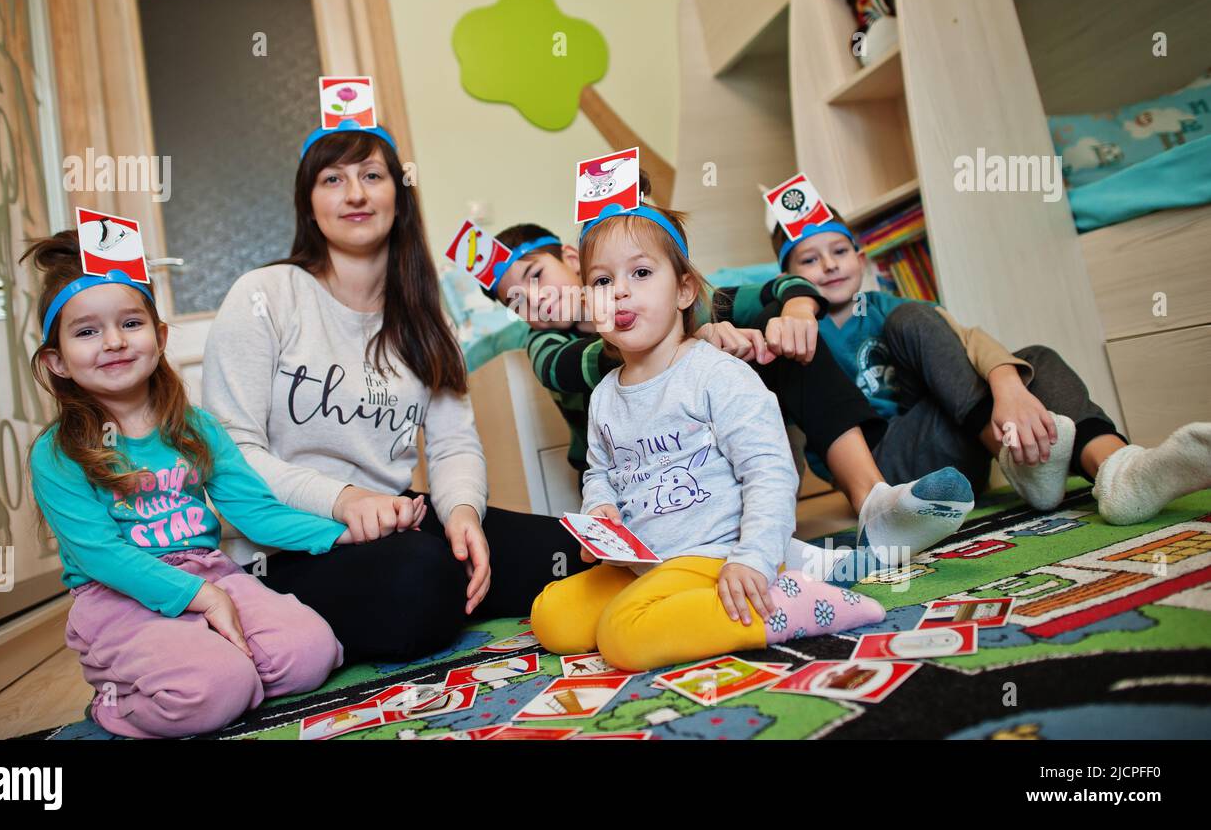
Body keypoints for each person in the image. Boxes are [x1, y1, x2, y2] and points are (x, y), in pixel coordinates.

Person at [202, 119, 588, 663]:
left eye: (372, 175)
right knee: (420, 582)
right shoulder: (264, 296)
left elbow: (454, 444)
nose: (355, 193)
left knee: (575, 550)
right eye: (332, 180)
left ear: (399, 198)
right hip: (290, 543)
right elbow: (231, 452)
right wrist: (344, 501)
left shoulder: (427, 320)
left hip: (401, 523)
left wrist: (462, 516)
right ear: (307, 203)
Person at [485, 178, 976, 573]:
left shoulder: (683, 296)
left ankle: (872, 499)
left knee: (773, 329)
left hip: (712, 465)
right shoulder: (546, 344)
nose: (533, 298)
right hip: (634, 489)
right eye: (515, 300)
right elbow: (594, 364)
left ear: (568, 260)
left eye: (534, 276)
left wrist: (798, 313)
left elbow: (782, 286)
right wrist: (694, 339)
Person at [530, 204, 888, 672]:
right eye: (601, 281)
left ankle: (786, 604)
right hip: (644, 560)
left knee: (624, 636)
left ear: (683, 290)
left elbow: (769, 472)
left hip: (713, 553)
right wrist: (600, 509)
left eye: (640, 272)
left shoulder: (715, 374)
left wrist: (754, 558)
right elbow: (600, 471)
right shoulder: (602, 397)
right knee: (552, 618)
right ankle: (732, 586)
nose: (618, 292)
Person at [24, 232, 346, 738]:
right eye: (87, 332)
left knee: (311, 653)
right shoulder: (57, 452)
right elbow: (101, 557)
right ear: (57, 361)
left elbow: (254, 509)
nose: (113, 341)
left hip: (210, 570)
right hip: (117, 593)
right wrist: (204, 600)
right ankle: (122, 700)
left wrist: (338, 531)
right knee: (212, 689)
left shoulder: (197, 428)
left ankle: (219, 673)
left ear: (161, 336)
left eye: (130, 324)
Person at [777, 204, 1211, 524]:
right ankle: (1017, 455)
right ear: (788, 279)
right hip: (885, 467)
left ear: (861, 257)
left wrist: (1009, 390)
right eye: (810, 260)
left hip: (958, 441)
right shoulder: (794, 330)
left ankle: (1118, 470)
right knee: (929, 331)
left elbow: (969, 343)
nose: (830, 265)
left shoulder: (884, 306)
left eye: (839, 250)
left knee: (1032, 359)